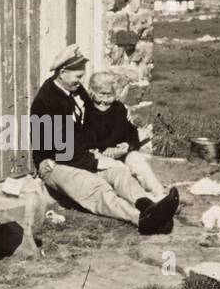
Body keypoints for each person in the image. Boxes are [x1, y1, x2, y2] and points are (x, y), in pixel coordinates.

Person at [30, 45, 179, 234]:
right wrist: (98, 161)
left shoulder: (74, 90)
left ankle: (149, 206)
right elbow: (62, 151)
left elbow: (93, 125)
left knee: (120, 174)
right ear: (62, 72)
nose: (80, 81)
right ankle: (141, 219)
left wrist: (109, 149)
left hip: (78, 156)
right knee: (97, 186)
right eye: (77, 77)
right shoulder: (48, 102)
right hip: (55, 163)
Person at [82, 70, 168, 201]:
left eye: (109, 94)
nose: (105, 100)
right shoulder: (86, 112)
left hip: (120, 155)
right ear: (92, 92)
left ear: (115, 94)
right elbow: (83, 142)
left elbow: (132, 134)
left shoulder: (119, 109)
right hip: (97, 159)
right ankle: (146, 201)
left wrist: (127, 145)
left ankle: (160, 194)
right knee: (123, 171)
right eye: (101, 94)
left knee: (137, 159)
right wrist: (105, 151)